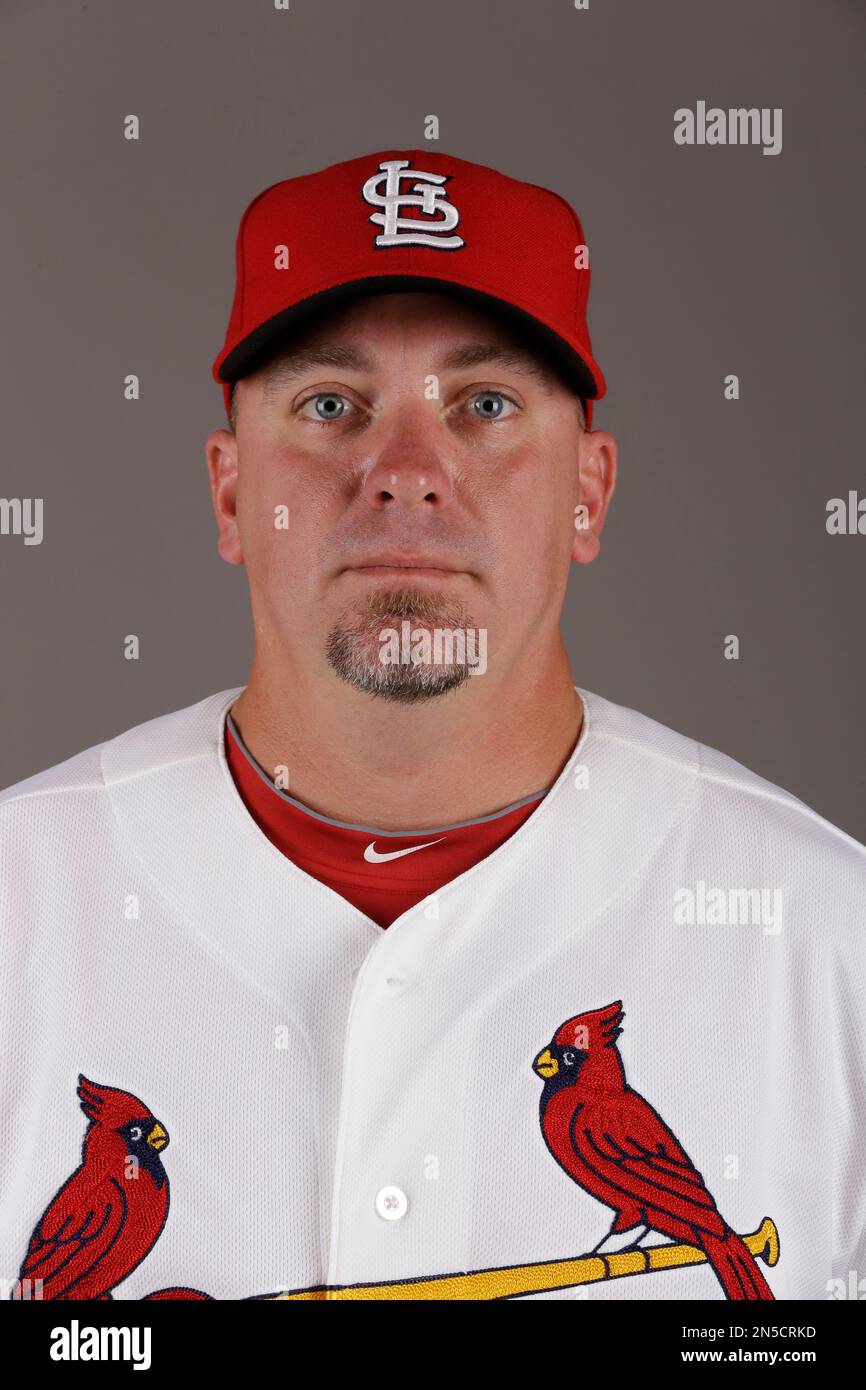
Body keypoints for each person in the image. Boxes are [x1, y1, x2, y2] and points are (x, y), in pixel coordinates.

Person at [1, 149, 863, 1303]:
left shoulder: (823, 937)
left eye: (485, 405)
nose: (405, 472)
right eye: (328, 406)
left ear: (587, 493)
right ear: (226, 493)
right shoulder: (21, 909)